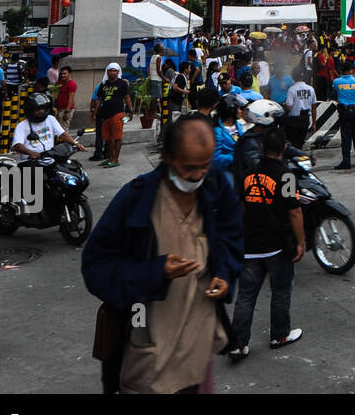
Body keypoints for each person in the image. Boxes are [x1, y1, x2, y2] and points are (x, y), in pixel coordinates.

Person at [82, 116, 243, 394]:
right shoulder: (135, 199)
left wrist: (224, 273)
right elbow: (96, 267)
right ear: (166, 157)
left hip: (196, 348)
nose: (197, 176)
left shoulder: (215, 188)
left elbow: (232, 237)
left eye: (204, 166)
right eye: (189, 167)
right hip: (146, 351)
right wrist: (155, 271)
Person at [227, 126, 304, 360]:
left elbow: (240, 205)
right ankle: (279, 335)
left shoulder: (249, 173)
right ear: (283, 149)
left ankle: (238, 344)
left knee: (246, 296)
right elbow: (295, 212)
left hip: (250, 245)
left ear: (262, 148)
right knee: (280, 291)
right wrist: (301, 242)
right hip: (277, 245)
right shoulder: (287, 175)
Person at [11, 92, 85, 158]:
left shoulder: (50, 119)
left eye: (42, 109)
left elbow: (62, 134)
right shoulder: (22, 126)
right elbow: (17, 145)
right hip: (30, 162)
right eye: (37, 109)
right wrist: (30, 153)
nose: (41, 112)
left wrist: (75, 143)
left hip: (50, 158)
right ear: (30, 110)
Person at [89, 63, 133, 165]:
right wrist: (94, 113)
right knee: (108, 138)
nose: (112, 72)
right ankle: (110, 158)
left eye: (115, 71)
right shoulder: (103, 85)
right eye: (110, 70)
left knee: (117, 137)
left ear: (118, 72)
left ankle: (115, 160)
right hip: (105, 115)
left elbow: (127, 98)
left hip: (117, 113)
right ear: (107, 72)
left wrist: (130, 111)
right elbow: (99, 100)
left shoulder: (122, 83)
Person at [331, 61, 355, 171]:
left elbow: (334, 94)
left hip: (345, 111)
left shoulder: (337, 82)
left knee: (346, 137)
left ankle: (346, 161)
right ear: (351, 70)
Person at [284, 69, 318, 149]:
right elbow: (314, 108)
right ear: (302, 77)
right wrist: (314, 123)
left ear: (293, 77)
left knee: (293, 144)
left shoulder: (292, 89)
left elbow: (289, 107)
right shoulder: (310, 89)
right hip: (305, 120)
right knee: (300, 143)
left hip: (294, 121)